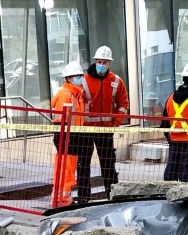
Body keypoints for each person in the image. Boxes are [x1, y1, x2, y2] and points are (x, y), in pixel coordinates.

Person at [82, 45, 130, 200]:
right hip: (86, 130)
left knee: (108, 165)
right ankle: (84, 198)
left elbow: (123, 103)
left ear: (110, 64)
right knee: (83, 165)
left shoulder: (116, 81)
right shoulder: (83, 81)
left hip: (106, 130)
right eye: (100, 61)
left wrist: (115, 122)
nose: (102, 65)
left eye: (105, 62)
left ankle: (113, 196)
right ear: (95, 61)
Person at [50, 61, 90, 206]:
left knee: (69, 170)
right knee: (65, 171)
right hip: (66, 137)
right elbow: (60, 121)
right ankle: (62, 200)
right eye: (76, 76)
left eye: (80, 75)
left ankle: (64, 199)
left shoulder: (76, 95)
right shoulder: (65, 95)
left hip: (73, 137)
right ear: (68, 78)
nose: (79, 78)